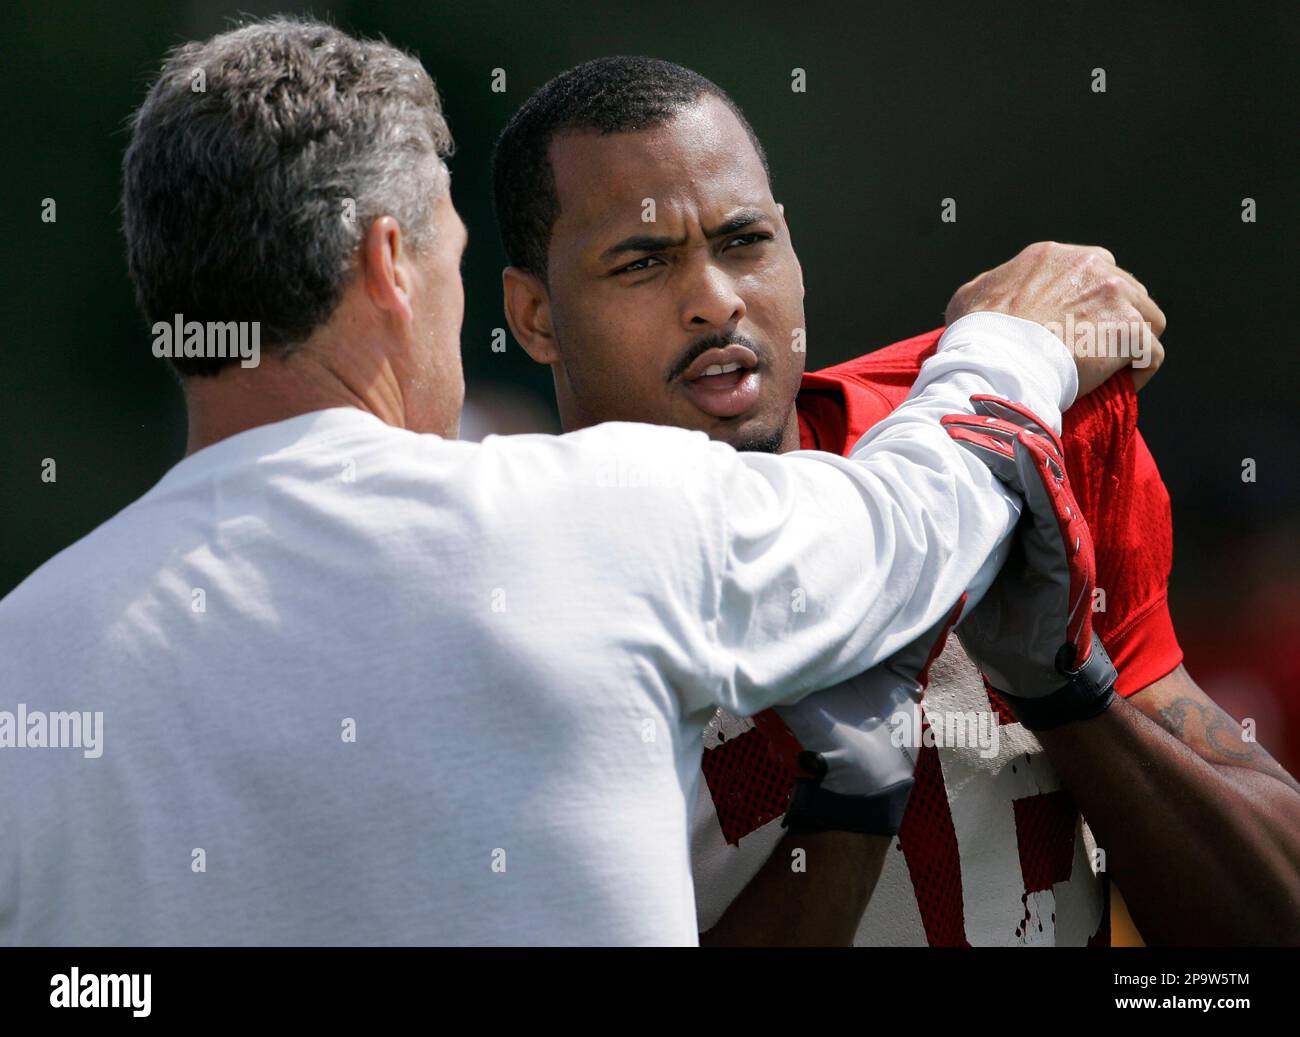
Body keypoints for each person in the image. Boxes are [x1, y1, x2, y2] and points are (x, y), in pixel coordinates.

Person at [0, 20, 1107, 946]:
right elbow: (914, 517)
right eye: (452, 247)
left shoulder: (24, 656)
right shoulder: (594, 513)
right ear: (390, 261)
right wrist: (1015, 343)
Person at [491, 56, 1300, 945]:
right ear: (533, 315)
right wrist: (847, 811)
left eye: (744, 242)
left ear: (794, 248)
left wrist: (1073, 700)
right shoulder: (505, 593)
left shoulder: (1028, 432)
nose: (715, 302)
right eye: (643, 261)